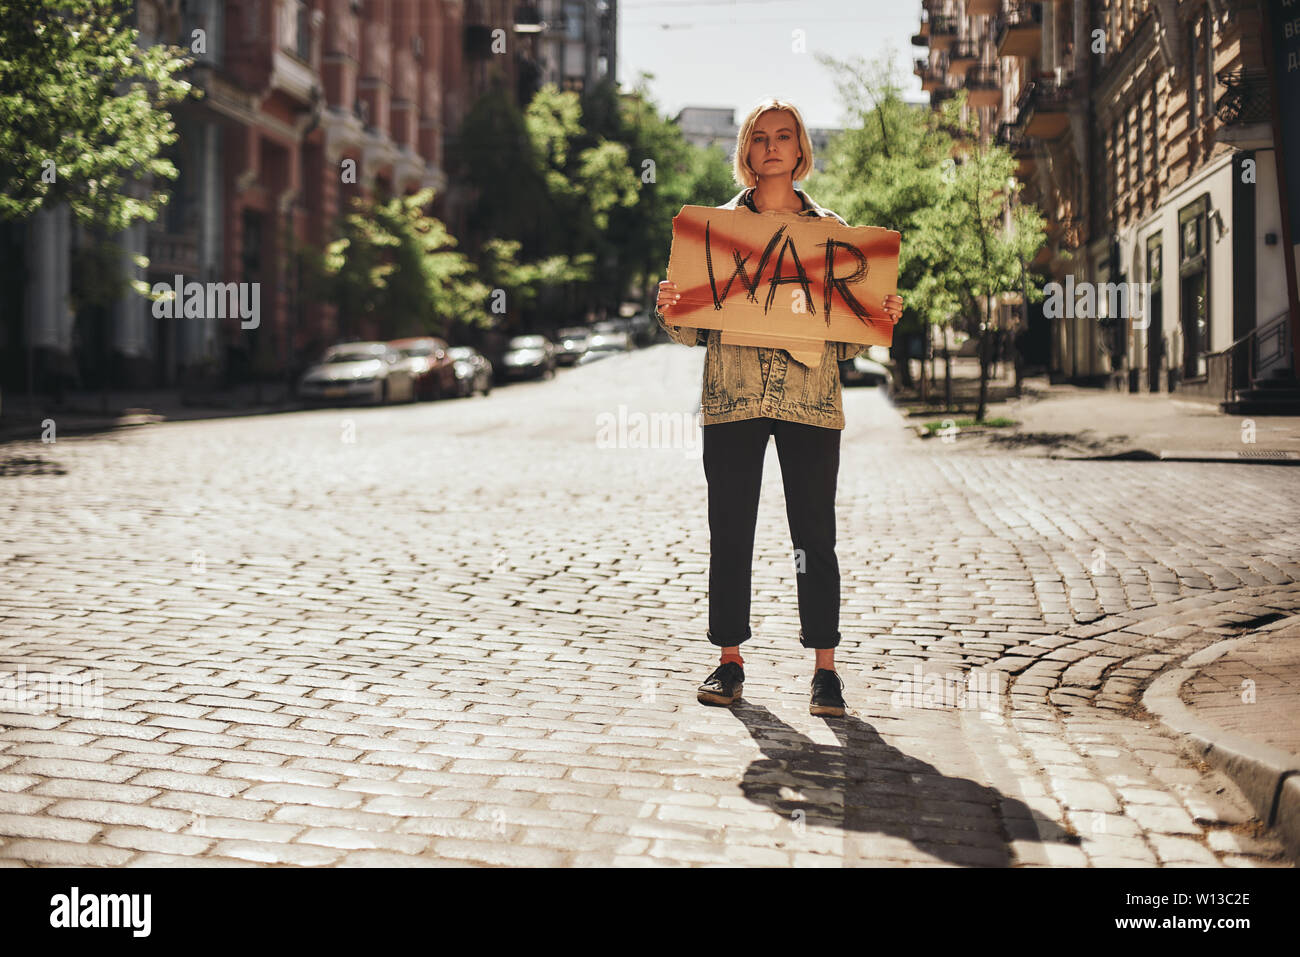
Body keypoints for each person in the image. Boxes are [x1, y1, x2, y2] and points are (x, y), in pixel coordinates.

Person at [654, 98, 904, 717]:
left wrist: (878, 318)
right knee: (730, 531)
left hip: (810, 401)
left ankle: (826, 672)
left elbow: (842, 342)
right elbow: (692, 332)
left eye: (783, 135)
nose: (771, 145)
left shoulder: (832, 232)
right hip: (732, 398)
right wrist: (670, 309)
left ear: (799, 151)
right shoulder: (711, 233)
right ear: (746, 151)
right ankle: (729, 661)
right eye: (759, 136)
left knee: (815, 535)